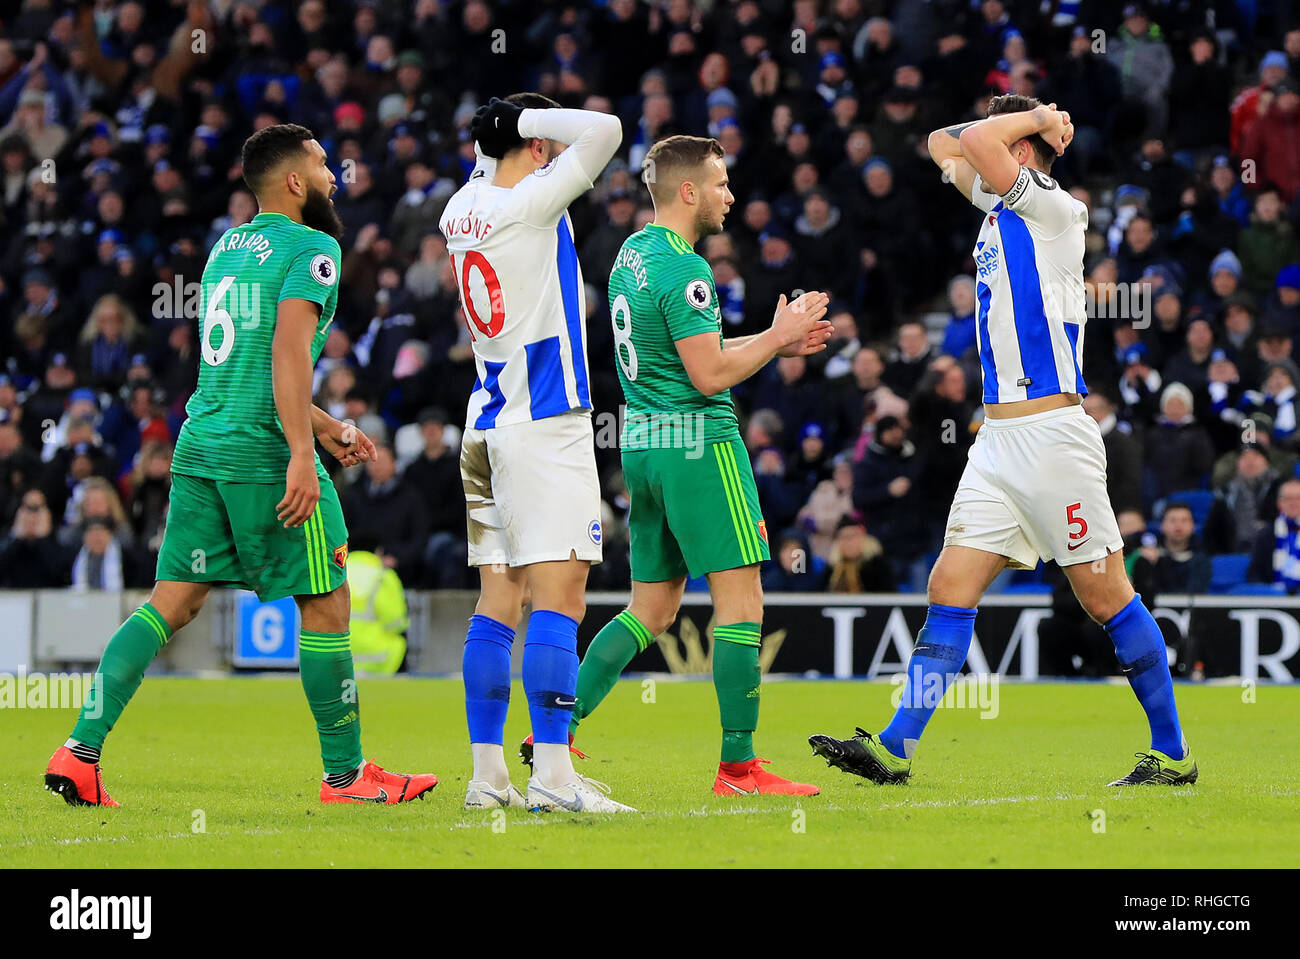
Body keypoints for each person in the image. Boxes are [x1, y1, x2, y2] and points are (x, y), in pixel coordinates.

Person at [45, 124, 437, 808]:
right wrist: (301, 452)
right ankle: (346, 776)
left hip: (203, 445)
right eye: (322, 166)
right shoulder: (315, 247)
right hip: (261, 452)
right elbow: (288, 353)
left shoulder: (229, 246)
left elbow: (247, 365)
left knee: (172, 600)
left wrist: (327, 424)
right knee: (327, 596)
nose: (334, 177)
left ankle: (79, 750)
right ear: (294, 181)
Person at [812, 94, 1195, 787]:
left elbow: (980, 140)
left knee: (1106, 596)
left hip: (1053, 437)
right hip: (997, 442)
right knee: (949, 585)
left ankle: (1172, 752)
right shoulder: (999, 206)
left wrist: (1043, 122)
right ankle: (897, 743)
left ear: (1023, 153)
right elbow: (938, 140)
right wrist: (1034, 121)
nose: (985, 149)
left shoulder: (1053, 209)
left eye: (1007, 136)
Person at [560, 134, 830, 797]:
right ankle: (739, 768)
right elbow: (708, 373)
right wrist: (776, 336)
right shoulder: (688, 268)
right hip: (700, 445)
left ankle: (554, 731)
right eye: (721, 183)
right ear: (689, 191)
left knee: (651, 608)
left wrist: (772, 346)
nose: (730, 196)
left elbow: (691, 351)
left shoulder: (633, 255)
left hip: (646, 443)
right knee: (741, 602)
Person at [441, 95, 631, 812]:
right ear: (537, 145)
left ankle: (488, 775)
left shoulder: (459, 207)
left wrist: (500, 133)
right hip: (544, 421)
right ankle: (553, 775)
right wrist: (525, 124)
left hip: (485, 419)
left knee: (499, 599)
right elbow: (608, 130)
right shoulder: (528, 203)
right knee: (561, 596)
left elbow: (488, 164)